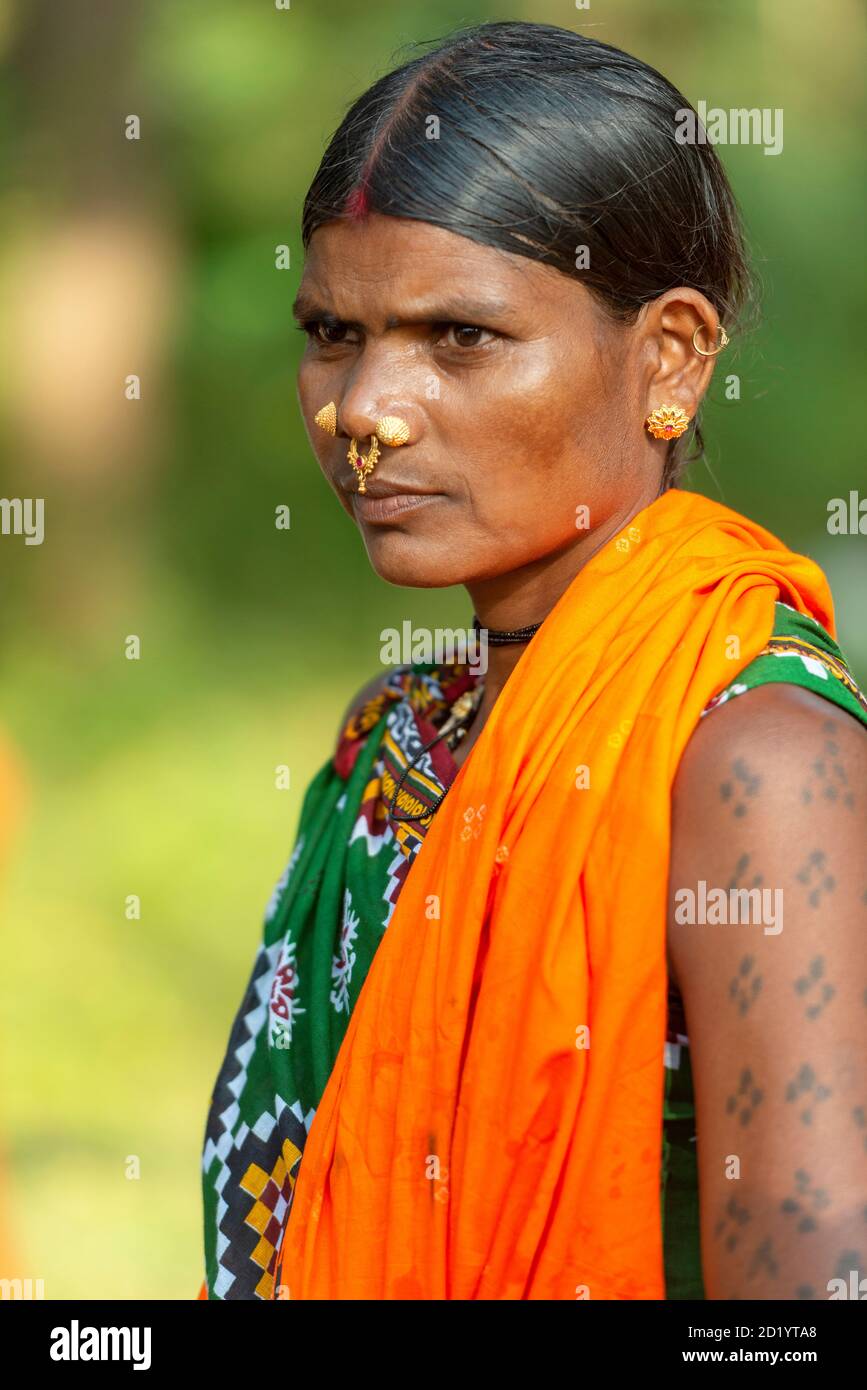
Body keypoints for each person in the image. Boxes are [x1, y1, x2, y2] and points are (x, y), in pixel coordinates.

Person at [199, 20, 867, 1301]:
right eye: (334, 332)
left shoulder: (757, 768)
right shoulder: (389, 749)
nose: (367, 412)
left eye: (461, 338)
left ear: (668, 353)